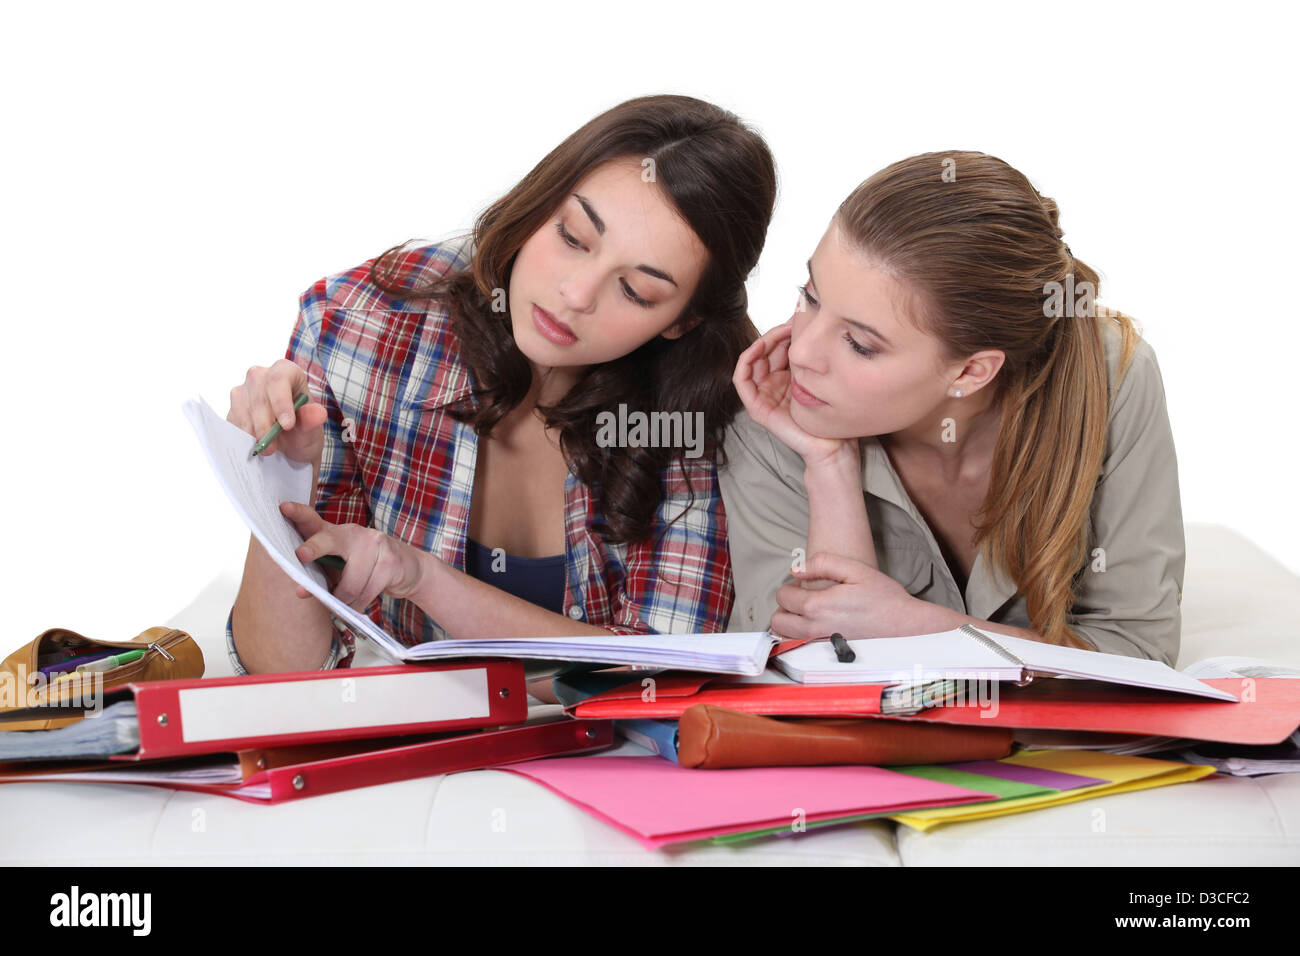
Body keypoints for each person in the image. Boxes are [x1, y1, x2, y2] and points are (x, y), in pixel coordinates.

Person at [225, 94, 777, 675]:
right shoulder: (361, 324)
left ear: (683, 320)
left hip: (594, 763)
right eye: (571, 237)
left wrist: (423, 579)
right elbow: (283, 675)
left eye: (636, 290)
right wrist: (276, 479)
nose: (576, 294)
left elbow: (663, 671)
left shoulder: (696, 414)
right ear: (538, 203)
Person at [722, 151, 1185, 666]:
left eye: (859, 344)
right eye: (809, 296)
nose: (801, 352)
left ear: (970, 372)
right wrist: (829, 466)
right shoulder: (776, 413)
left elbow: (1140, 657)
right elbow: (814, 675)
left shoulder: (1113, 379)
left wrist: (924, 629)